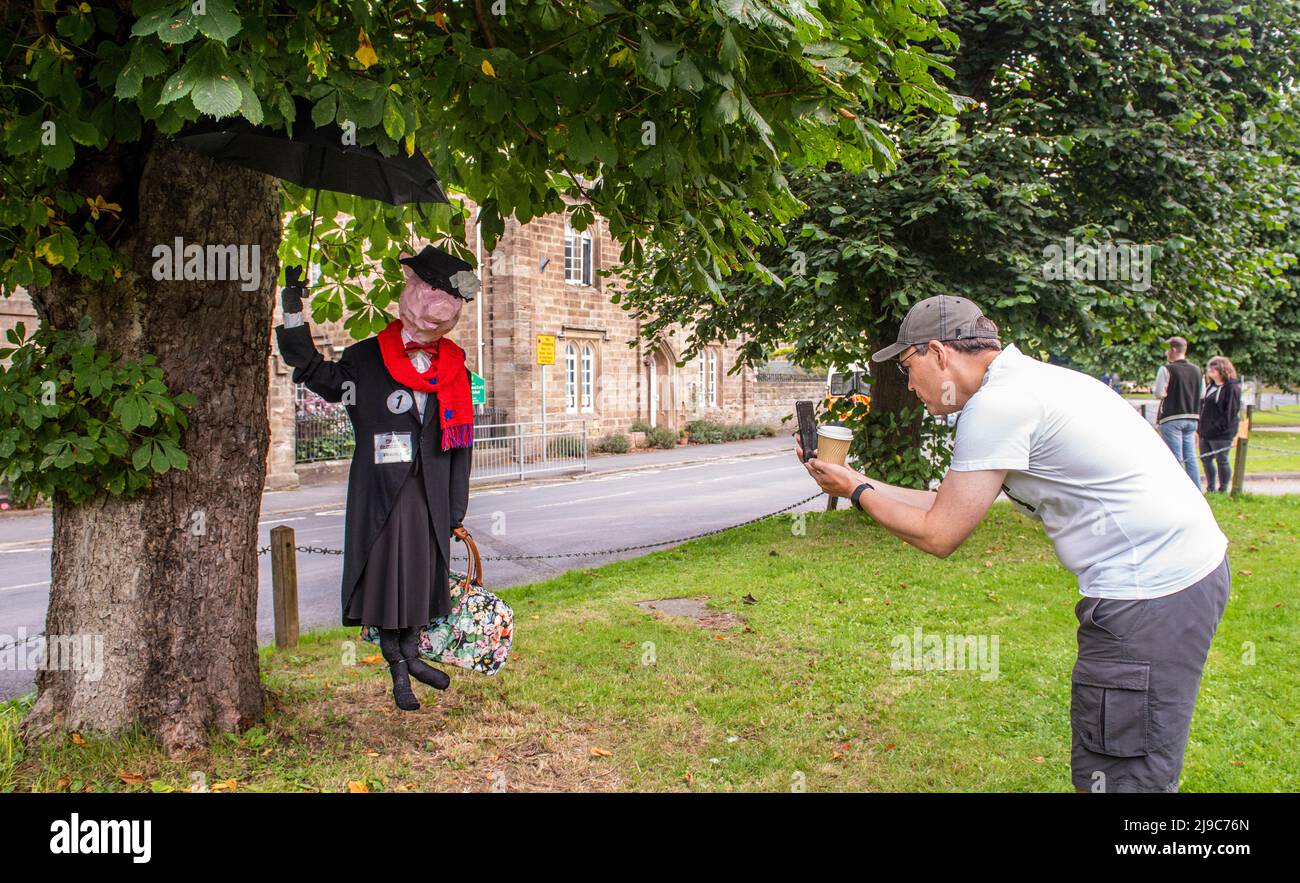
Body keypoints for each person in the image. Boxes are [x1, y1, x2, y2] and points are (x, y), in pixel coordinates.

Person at [798, 295, 1230, 793]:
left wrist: (856, 490)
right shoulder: (1030, 383)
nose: (907, 384)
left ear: (938, 353)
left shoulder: (996, 406)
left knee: (1122, 777)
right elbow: (947, 501)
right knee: (1130, 764)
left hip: (1149, 596)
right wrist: (852, 480)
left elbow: (941, 533)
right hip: (1178, 581)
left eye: (906, 365)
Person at [275, 245, 478, 711]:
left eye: (452, 294)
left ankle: (413, 652)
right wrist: (292, 309)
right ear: (411, 293)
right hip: (381, 494)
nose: (441, 301)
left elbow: (462, 445)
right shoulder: (367, 358)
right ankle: (400, 669)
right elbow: (311, 370)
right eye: (432, 288)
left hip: (431, 493)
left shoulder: (455, 367)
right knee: (389, 580)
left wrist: (456, 509)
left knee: (423, 577)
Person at [1153, 336, 1204, 486]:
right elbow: (1202, 394)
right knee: (1190, 456)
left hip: (1172, 416)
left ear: (1173, 350)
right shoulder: (1197, 371)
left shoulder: (1167, 369)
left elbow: (1159, 393)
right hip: (1192, 416)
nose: (1166, 354)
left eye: (1167, 350)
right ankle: (1196, 488)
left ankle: (1177, 488)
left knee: (1175, 457)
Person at [1199, 356, 1242, 493]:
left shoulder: (1231, 388)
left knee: (1222, 460)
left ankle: (1223, 488)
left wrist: (1216, 428)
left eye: (1214, 367)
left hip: (1222, 433)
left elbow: (1230, 413)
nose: (1210, 370)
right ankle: (1211, 487)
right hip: (1205, 431)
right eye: (1209, 367)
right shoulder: (1210, 386)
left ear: (1223, 369)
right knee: (1206, 459)